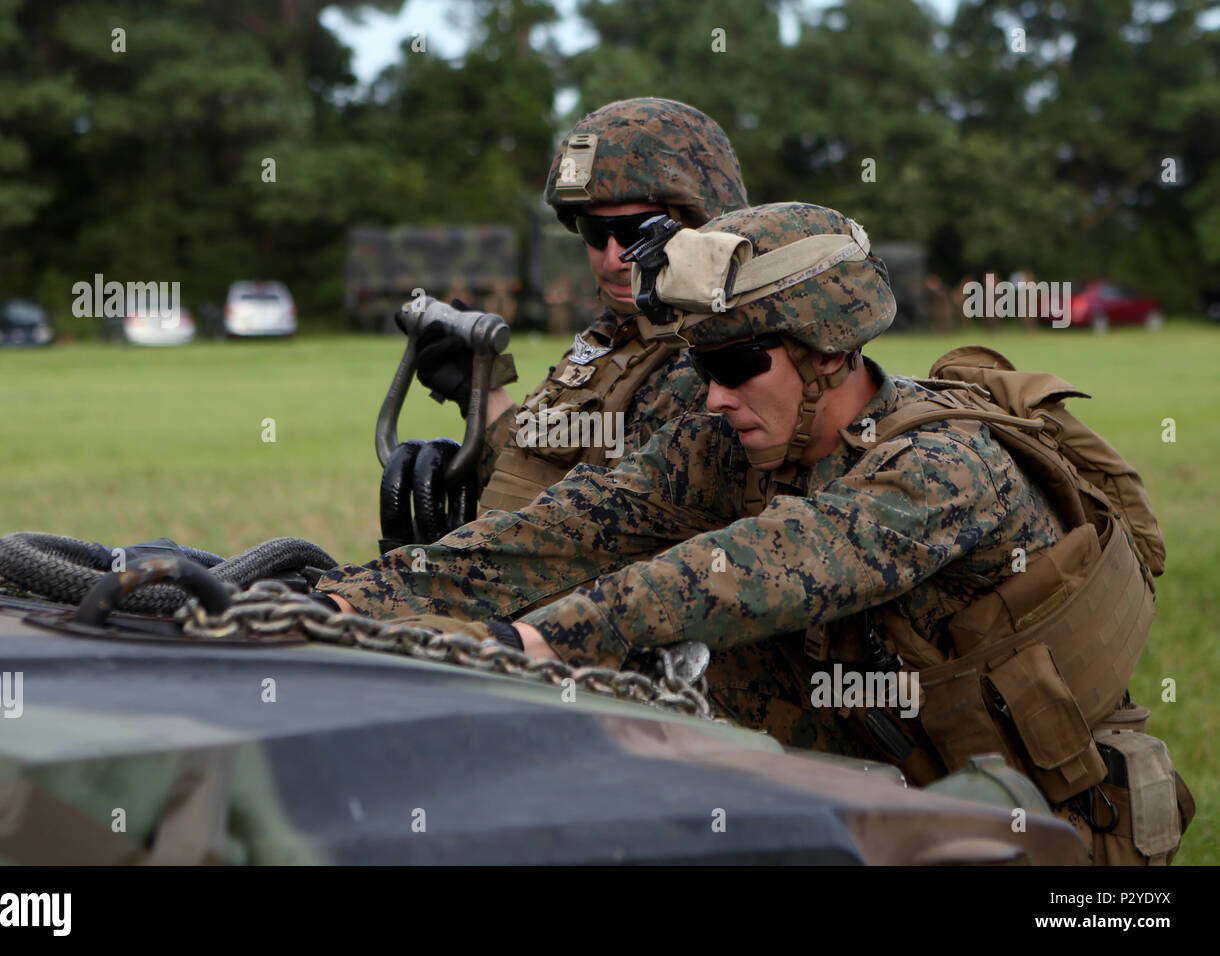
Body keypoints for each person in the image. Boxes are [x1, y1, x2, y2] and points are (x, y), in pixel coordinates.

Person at [319, 202, 1189, 862]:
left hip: (1041, 828)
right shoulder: (722, 444)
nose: (714, 395)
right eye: (702, 366)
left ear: (831, 354)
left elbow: (743, 572)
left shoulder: (946, 470)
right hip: (884, 792)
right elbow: (555, 534)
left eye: (738, 365)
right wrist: (333, 601)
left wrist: (531, 641)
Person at [412, 97, 749, 513]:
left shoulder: (729, 358)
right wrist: (482, 392)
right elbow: (539, 483)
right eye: (593, 231)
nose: (611, 259)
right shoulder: (617, 336)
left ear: (702, 224)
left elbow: (606, 530)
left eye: (634, 232)